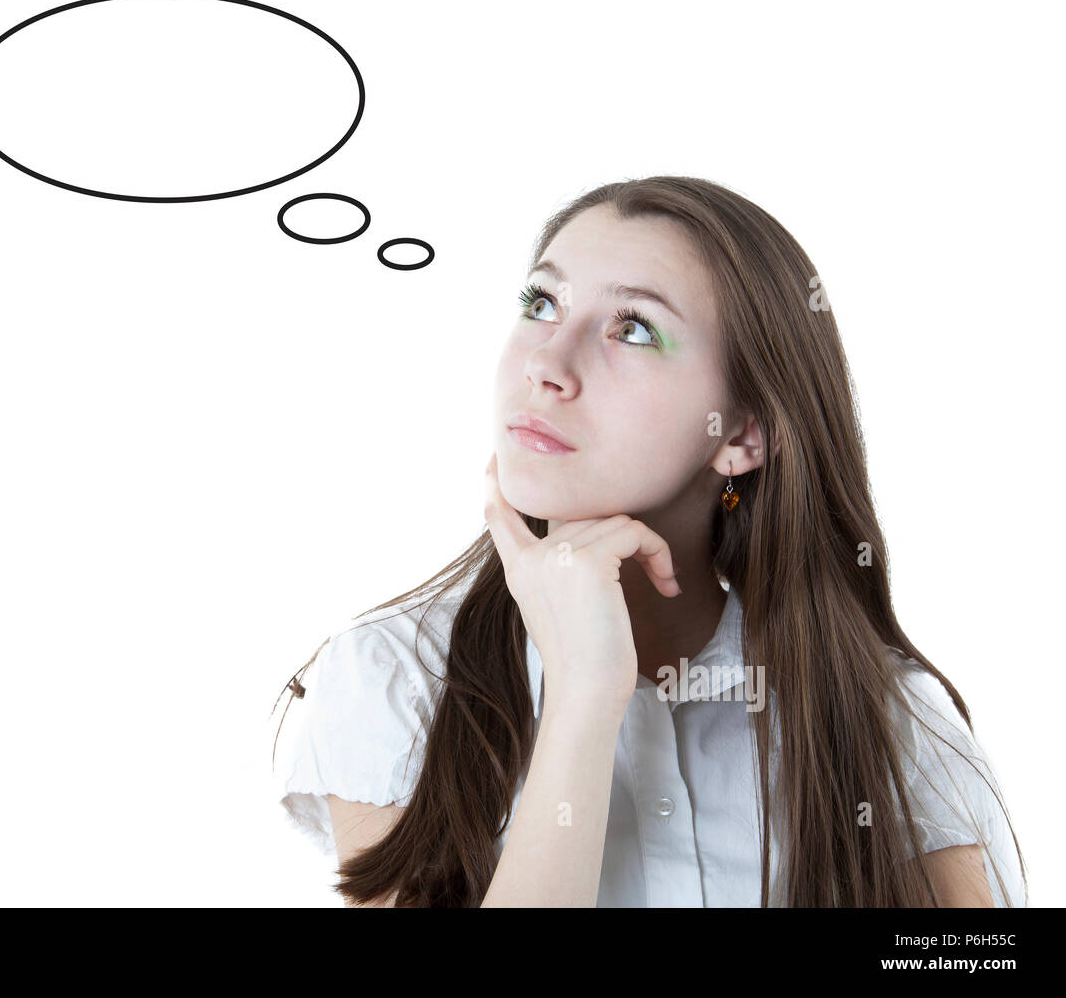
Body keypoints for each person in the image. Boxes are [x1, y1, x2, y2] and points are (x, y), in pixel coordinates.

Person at [269, 176, 1027, 908]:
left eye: (632, 328)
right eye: (542, 302)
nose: (545, 364)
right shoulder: (394, 678)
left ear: (743, 433)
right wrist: (582, 700)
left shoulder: (889, 715)